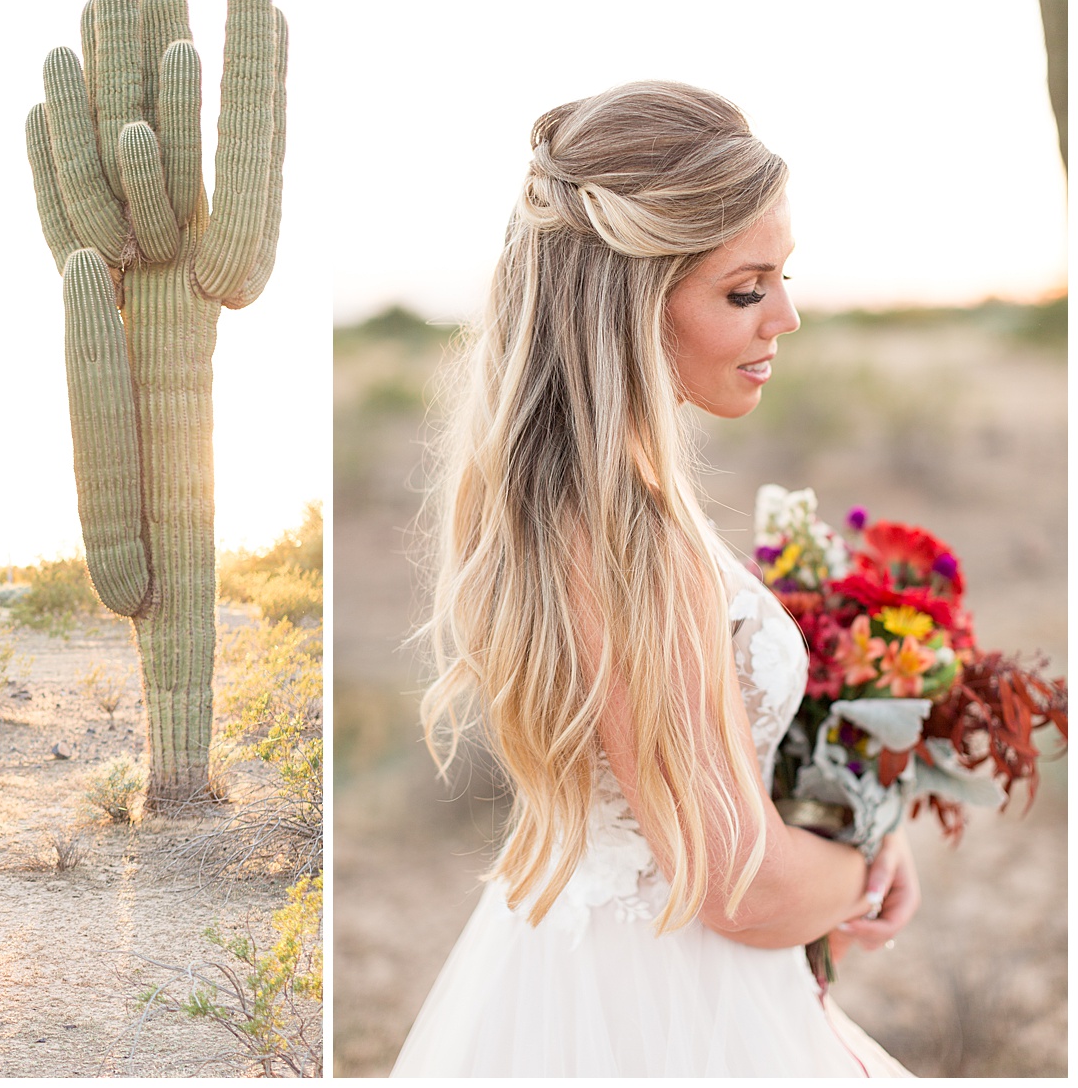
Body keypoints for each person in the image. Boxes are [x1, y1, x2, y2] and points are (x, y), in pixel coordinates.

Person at [393, 81, 920, 1077]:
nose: (787, 317)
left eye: (782, 278)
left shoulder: (566, 504)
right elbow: (739, 887)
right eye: (745, 288)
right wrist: (858, 864)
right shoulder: (630, 542)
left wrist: (848, 837)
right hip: (668, 1005)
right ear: (634, 301)